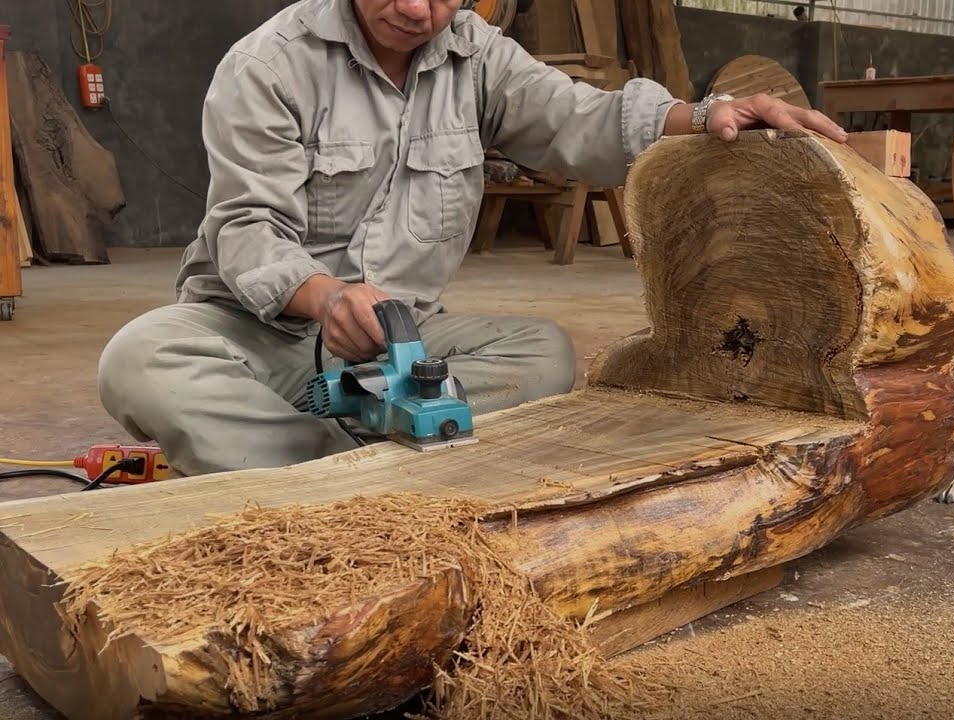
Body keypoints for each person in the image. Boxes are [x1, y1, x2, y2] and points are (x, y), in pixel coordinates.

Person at [97, 0, 848, 477]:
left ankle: (290, 457)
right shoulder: (270, 65)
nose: (416, 8)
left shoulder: (476, 53)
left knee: (544, 353)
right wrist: (326, 298)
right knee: (141, 359)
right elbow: (247, 229)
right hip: (259, 328)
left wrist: (712, 112)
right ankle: (338, 481)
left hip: (403, 339)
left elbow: (578, 120)